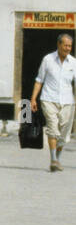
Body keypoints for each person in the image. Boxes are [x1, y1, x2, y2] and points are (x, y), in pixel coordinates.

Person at [29, 33, 76, 172]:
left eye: (70, 46)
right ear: (59, 44)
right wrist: (33, 99)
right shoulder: (48, 60)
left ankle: (58, 159)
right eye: (65, 45)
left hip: (68, 101)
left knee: (63, 134)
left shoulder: (73, 62)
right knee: (52, 128)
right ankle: (53, 159)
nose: (68, 48)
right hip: (49, 99)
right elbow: (39, 80)